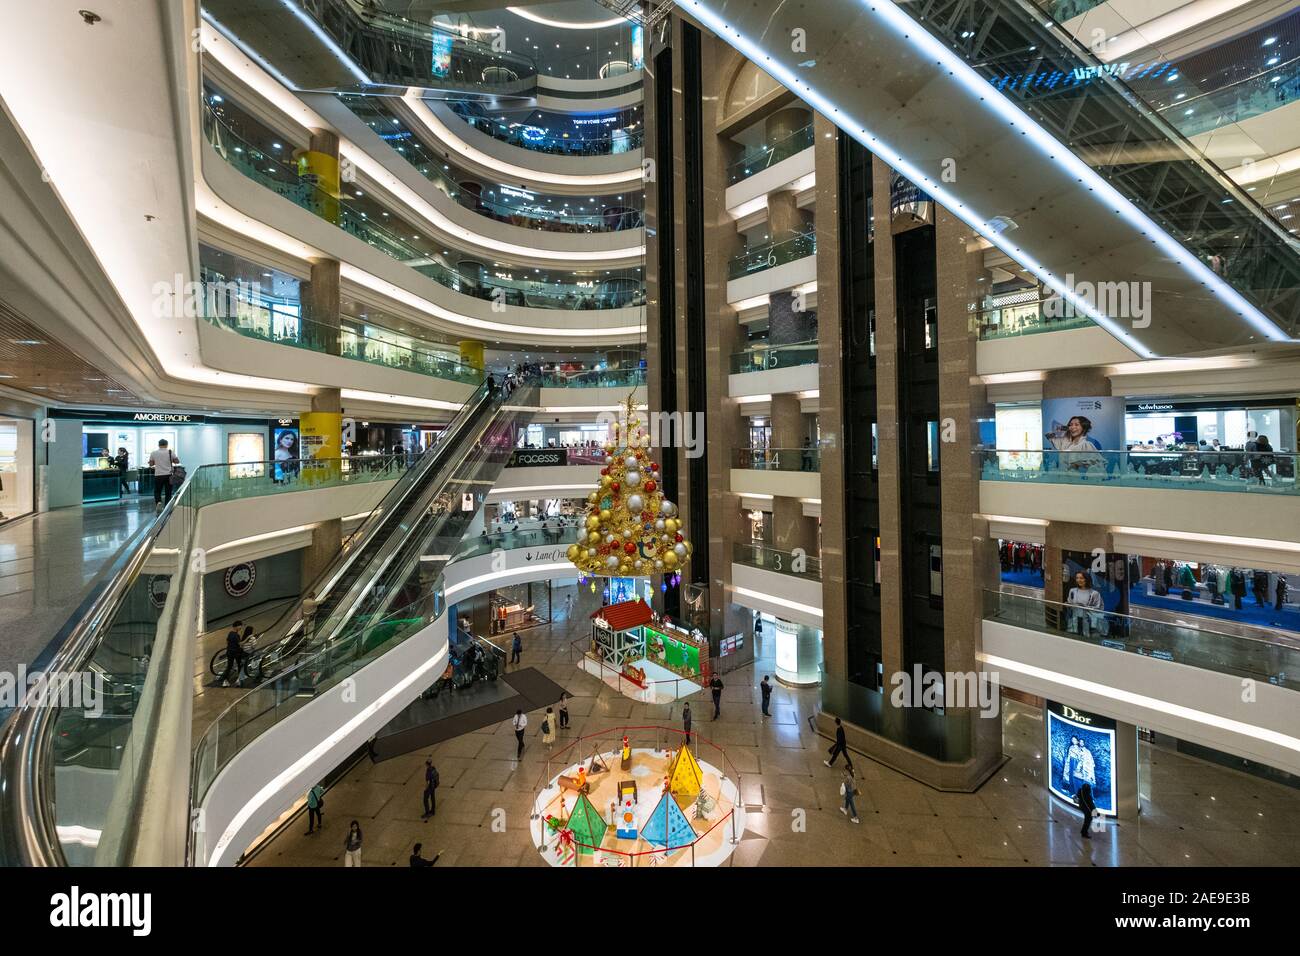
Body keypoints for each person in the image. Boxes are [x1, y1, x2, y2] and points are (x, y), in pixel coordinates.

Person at [1066, 571, 1104, 636]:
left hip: (1089, 624)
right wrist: (1068, 604)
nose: (1079, 580)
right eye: (1077, 578)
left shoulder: (1095, 593)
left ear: (1087, 579)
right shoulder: (1072, 591)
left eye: (1081, 578)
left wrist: (1085, 608)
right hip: (1075, 622)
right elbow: (1070, 603)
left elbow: (1099, 608)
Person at [148, 439, 179, 509]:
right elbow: (177, 461)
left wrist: (156, 462)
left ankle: (158, 503)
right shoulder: (170, 452)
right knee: (168, 491)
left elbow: (151, 464)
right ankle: (167, 506)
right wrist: (171, 460)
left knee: (157, 491)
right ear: (167, 445)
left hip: (158, 475)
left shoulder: (154, 453)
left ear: (158, 445)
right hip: (168, 475)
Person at [220, 621, 246, 687]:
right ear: (236, 626)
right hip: (236, 652)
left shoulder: (230, 633)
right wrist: (248, 639)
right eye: (240, 626)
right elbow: (240, 644)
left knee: (229, 666)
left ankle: (225, 681)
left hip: (229, 652)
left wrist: (230, 647)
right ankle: (239, 680)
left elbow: (227, 641)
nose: (241, 627)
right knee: (240, 665)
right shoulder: (236, 635)